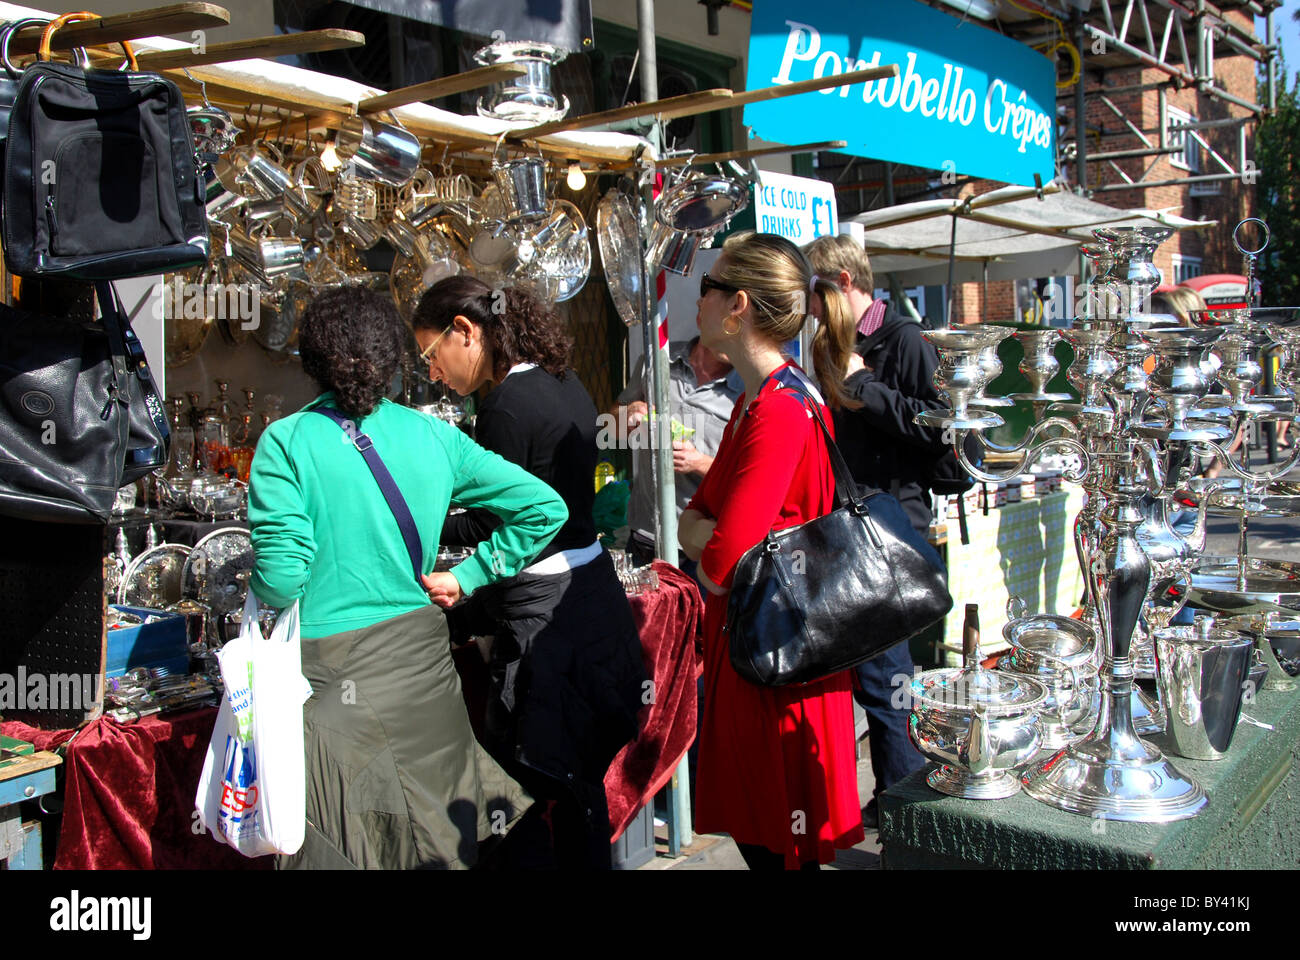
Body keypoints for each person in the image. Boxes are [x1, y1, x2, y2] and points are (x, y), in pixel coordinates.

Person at [247, 286, 568, 870]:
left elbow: (281, 579)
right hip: (424, 679)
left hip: (330, 685)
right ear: (393, 356)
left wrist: (255, 585)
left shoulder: (285, 441)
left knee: (350, 849)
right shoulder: (434, 436)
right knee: (440, 845)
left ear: (313, 359)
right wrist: (470, 575)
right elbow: (544, 507)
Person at [411, 275, 647, 870]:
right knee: (577, 792)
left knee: (516, 795)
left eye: (430, 353)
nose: (432, 372)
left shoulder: (505, 408)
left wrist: (421, 526)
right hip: (595, 598)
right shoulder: (561, 383)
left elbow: (506, 525)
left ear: (465, 332)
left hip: (549, 620)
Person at [677, 231, 864, 870]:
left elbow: (719, 557)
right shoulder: (766, 400)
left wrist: (701, 536)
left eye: (708, 287)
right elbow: (703, 519)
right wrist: (702, 531)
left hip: (776, 659)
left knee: (777, 852)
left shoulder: (778, 409)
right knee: (776, 850)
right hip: (773, 648)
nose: (694, 300)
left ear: (738, 307)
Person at [804, 233, 937, 829]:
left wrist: (863, 388)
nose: (807, 306)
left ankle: (907, 820)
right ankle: (895, 803)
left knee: (888, 688)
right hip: (846, 534)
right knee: (876, 685)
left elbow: (937, 431)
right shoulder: (830, 348)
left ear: (843, 286)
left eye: (813, 292)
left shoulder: (901, 339)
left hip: (892, 538)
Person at [613, 337, 743, 576]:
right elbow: (610, 428)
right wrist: (627, 414)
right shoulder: (657, 358)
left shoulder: (748, 386)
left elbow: (751, 476)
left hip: (700, 544)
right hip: (645, 535)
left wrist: (700, 463)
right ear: (702, 311)